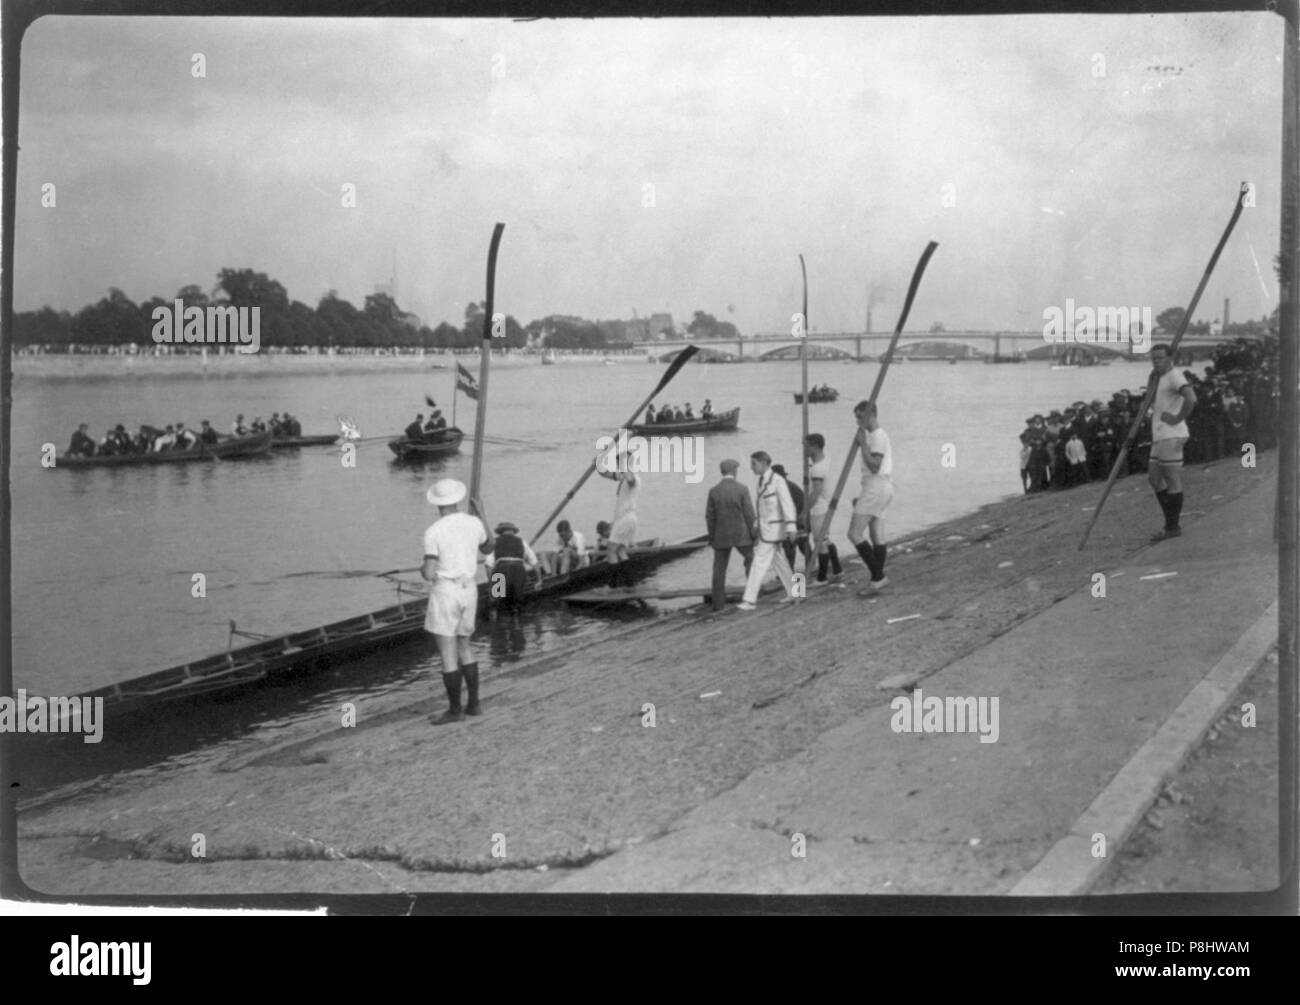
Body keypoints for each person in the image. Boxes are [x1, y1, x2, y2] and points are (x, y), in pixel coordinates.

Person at [421, 478, 495, 724]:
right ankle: (474, 705)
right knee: (465, 647)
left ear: (437, 504)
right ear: (457, 500)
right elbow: (489, 547)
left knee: (447, 652)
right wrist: (483, 513)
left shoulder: (433, 531)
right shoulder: (474, 522)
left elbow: (430, 573)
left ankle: (455, 711)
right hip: (469, 589)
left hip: (447, 591)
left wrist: (424, 570)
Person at [737, 450, 798, 611]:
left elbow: (787, 504)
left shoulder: (777, 480)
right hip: (766, 528)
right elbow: (761, 507)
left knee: (759, 562)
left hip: (774, 529)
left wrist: (791, 527)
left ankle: (749, 600)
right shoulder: (759, 481)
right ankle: (796, 592)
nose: (751, 467)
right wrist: (756, 523)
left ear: (764, 463)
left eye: (754, 464)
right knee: (779, 561)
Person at [1147, 343, 1196, 542]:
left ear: (1170, 358)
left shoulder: (1175, 376)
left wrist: (1177, 418)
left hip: (1172, 433)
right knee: (1154, 479)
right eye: (1154, 358)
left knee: (1171, 479)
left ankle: (1172, 526)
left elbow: (1191, 398)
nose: (1156, 361)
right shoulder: (1158, 377)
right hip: (1159, 434)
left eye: (1160, 358)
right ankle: (1170, 523)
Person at [849, 400, 893, 595]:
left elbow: (875, 465)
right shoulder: (876, 436)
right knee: (877, 536)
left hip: (875, 486)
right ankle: (876, 580)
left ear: (871, 415)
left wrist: (861, 444)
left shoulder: (877, 436)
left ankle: (879, 577)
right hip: (882, 487)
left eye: (860, 417)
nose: (858, 422)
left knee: (854, 534)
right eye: (856, 418)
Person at [705, 458, 756, 612]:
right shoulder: (742, 489)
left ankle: (717, 604)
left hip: (721, 535)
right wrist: (754, 534)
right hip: (742, 534)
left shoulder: (714, 491)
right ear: (734, 471)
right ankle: (751, 597)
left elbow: (710, 517)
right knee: (751, 561)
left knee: (719, 569)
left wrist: (712, 536)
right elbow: (749, 514)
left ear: (722, 472)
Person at [597, 451, 639, 587]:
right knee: (620, 550)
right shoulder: (623, 477)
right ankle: (630, 584)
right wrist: (597, 464)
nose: (618, 466)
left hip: (625, 518)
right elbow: (605, 473)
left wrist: (623, 463)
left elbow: (630, 479)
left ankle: (612, 587)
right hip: (625, 519)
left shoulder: (634, 478)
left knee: (611, 549)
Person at [804, 433, 843, 583]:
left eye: (806, 446)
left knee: (819, 542)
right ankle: (838, 569)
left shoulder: (817, 469)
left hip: (819, 508)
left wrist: (804, 511)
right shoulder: (826, 461)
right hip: (828, 505)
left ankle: (821, 578)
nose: (805, 450)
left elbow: (815, 492)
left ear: (815, 446)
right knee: (825, 539)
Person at [488, 522, 541, 616]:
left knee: (496, 603)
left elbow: (488, 565)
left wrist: (491, 584)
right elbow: (535, 563)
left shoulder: (494, 542)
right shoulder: (521, 541)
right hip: (519, 572)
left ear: (500, 532)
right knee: (517, 603)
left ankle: (497, 623)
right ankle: (517, 620)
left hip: (501, 571)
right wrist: (539, 580)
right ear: (513, 532)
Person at [771, 464, 811, 574]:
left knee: (791, 547)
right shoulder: (789, 485)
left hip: (797, 521)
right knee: (801, 545)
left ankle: (793, 570)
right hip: (801, 520)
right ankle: (810, 566)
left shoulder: (783, 487)